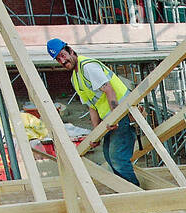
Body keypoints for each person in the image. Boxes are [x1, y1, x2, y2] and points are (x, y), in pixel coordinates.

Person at [46, 39, 141, 188]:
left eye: (63, 55)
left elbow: (109, 89)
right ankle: (126, 190)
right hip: (108, 119)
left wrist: (115, 116)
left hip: (120, 111)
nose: (63, 61)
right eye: (58, 59)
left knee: (117, 158)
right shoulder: (75, 78)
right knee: (109, 156)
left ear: (70, 50)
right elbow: (92, 107)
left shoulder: (88, 67)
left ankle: (137, 196)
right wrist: (96, 134)